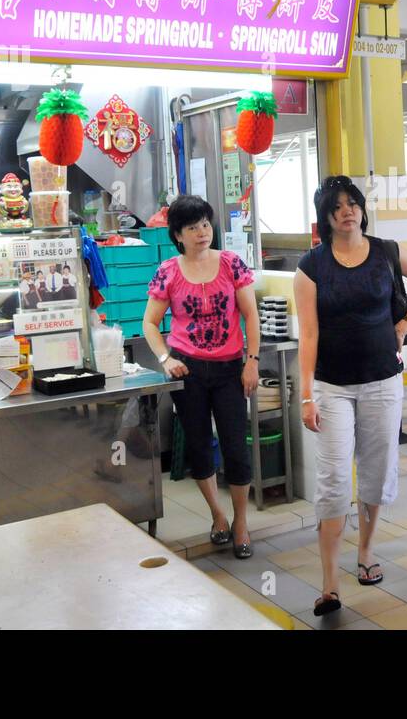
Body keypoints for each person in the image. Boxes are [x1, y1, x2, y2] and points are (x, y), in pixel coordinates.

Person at [294, 176, 407, 615]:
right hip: (332, 386)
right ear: (326, 216)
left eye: (353, 203)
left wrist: (404, 325)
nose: (348, 211)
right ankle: (329, 583)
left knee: (377, 470)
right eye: (338, 206)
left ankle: (366, 552)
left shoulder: (387, 252)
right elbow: (308, 335)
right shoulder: (311, 266)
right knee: (334, 478)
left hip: (383, 380)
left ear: (362, 208)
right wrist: (305, 395)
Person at [143, 195, 261, 560]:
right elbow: (149, 323)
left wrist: (251, 361)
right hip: (188, 371)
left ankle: (241, 521)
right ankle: (217, 515)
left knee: (236, 447)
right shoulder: (168, 271)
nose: (202, 232)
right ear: (177, 234)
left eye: (206, 225)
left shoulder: (231, 264)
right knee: (199, 448)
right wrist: (165, 358)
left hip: (229, 369)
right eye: (192, 227)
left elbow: (251, 316)